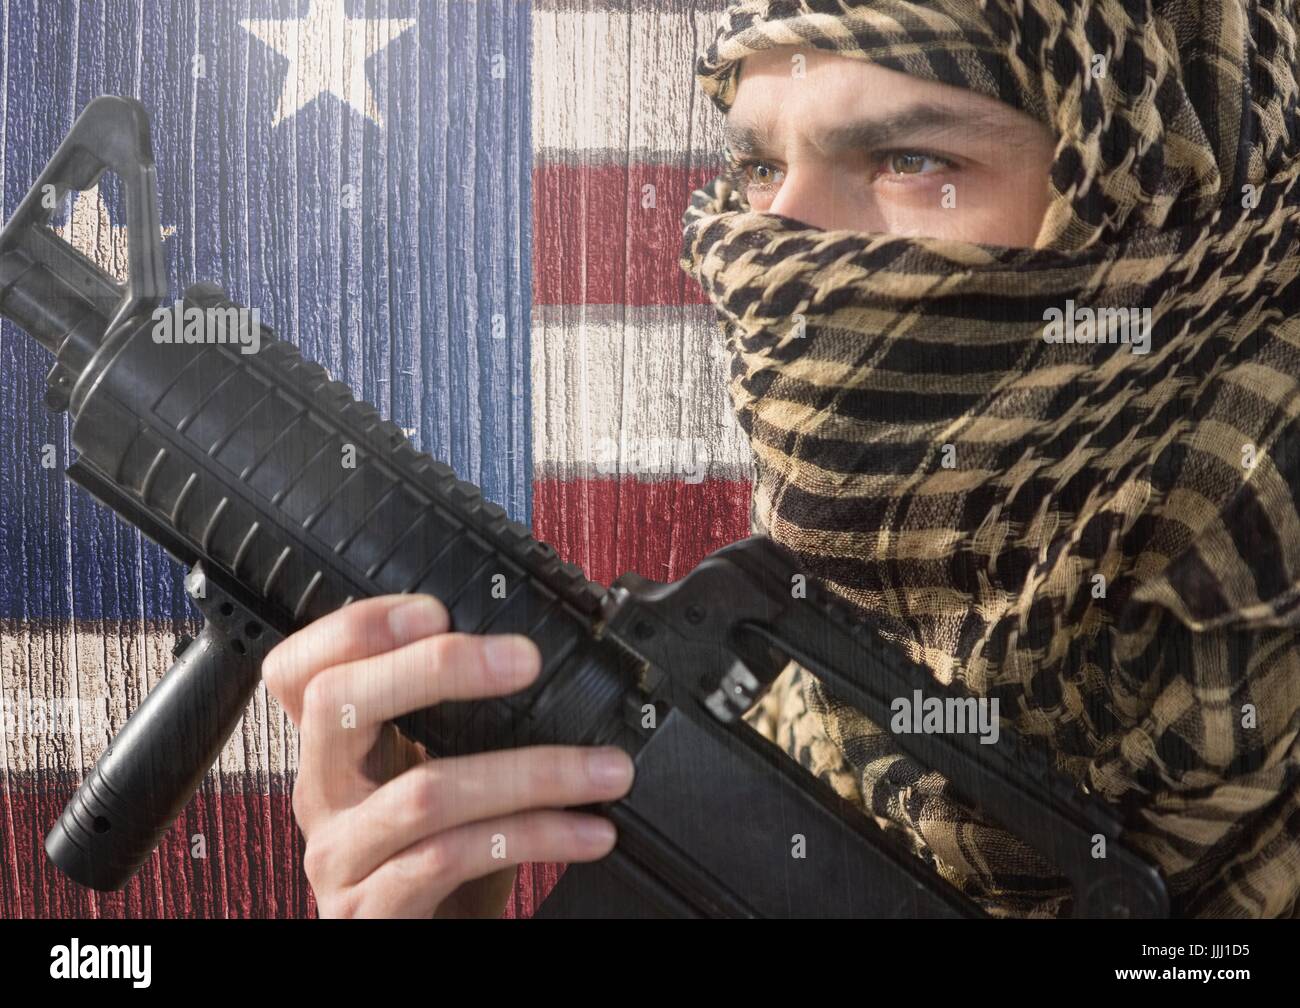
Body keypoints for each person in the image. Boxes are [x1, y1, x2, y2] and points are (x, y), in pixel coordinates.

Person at [266, 0, 1300, 918]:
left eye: (910, 161)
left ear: (1159, 206)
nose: (776, 239)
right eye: (760, 167)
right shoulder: (790, 689)